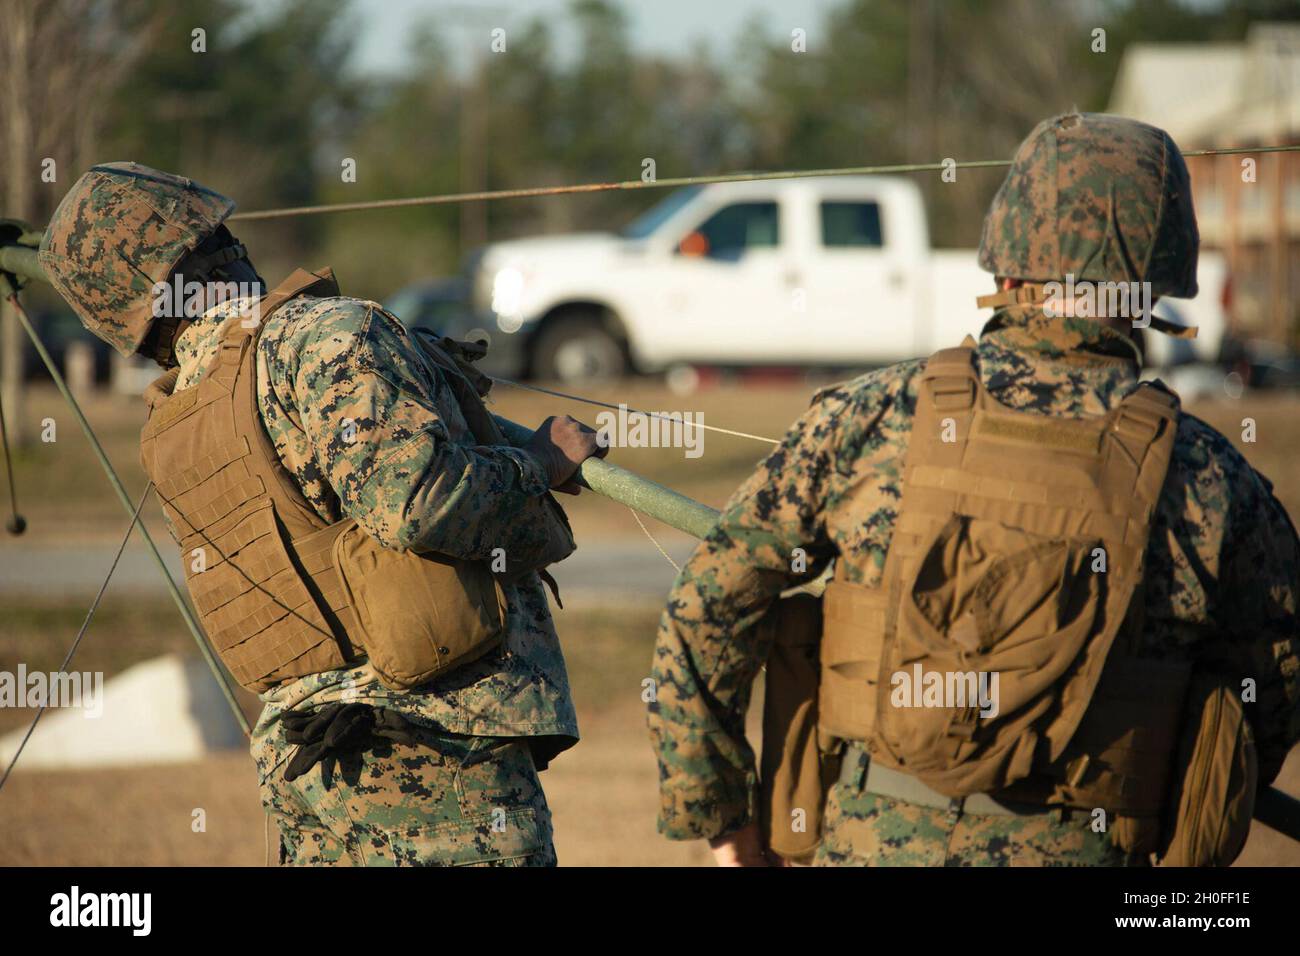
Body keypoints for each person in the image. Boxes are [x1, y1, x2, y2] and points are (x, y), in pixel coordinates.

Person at [647, 113, 1300, 867]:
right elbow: (1269, 692)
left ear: (1006, 262)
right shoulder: (1214, 480)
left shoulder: (871, 417)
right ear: (1157, 283)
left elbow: (706, 611)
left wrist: (729, 828)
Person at [40, 162, 606, 866]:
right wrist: (541, 465)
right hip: (428, 751)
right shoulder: (327, 334)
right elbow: (417, 501)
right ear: (214, 250)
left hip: (308, 765)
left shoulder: (179, 418)